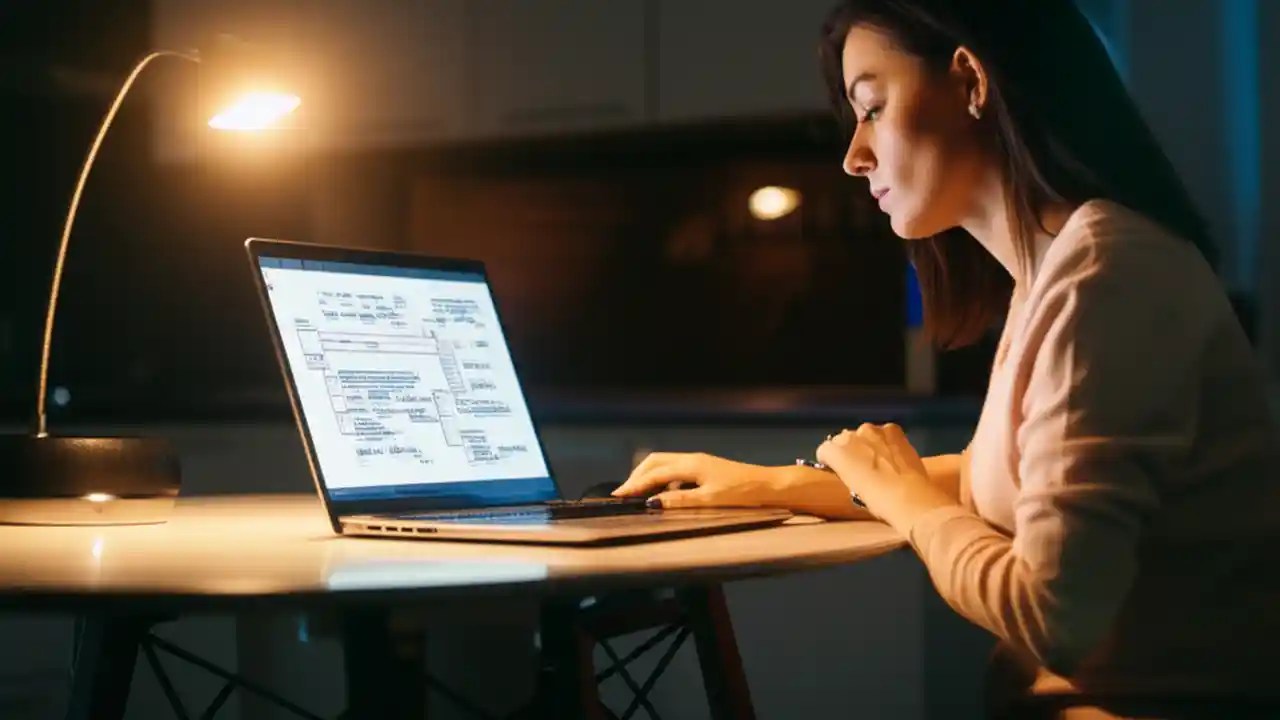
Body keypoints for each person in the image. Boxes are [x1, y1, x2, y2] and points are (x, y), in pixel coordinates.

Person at [613, 0, 1280, 717]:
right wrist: (770, 484)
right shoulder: (1059, 272)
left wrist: (902, 497)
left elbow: (1052, 617)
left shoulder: (1106, 273)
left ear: (969, 81)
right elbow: (1010, 479)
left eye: (871, 107)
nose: (853, 155)